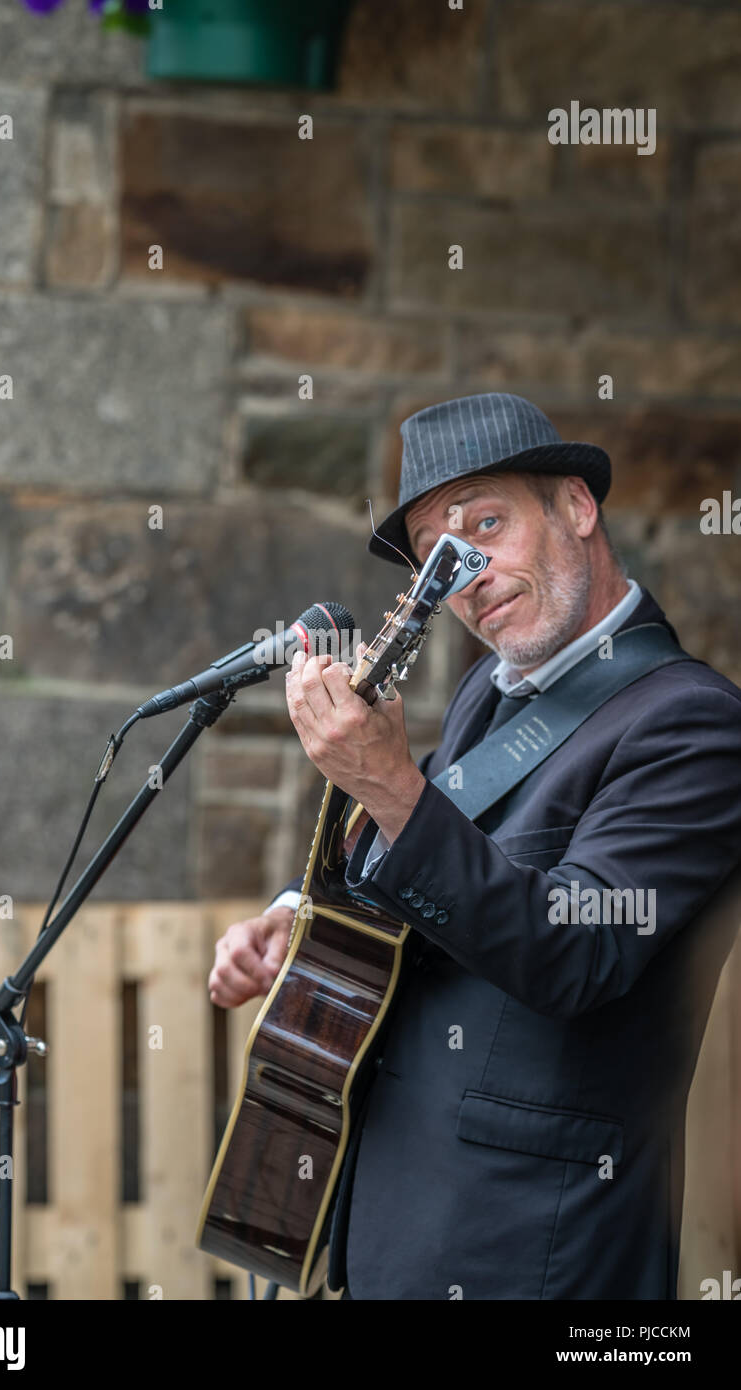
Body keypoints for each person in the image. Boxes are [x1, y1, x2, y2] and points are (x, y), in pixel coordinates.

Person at [208, 392, 741, 1300]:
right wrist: (304, 918)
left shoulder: (693, 725)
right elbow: (444, 866)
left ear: (576, 507)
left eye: (486, 523)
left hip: (533, 1245)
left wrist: (387, 784)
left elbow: (575, 953)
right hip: (393, 1224)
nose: (468, 573)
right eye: (435, 558)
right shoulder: (485, 697)